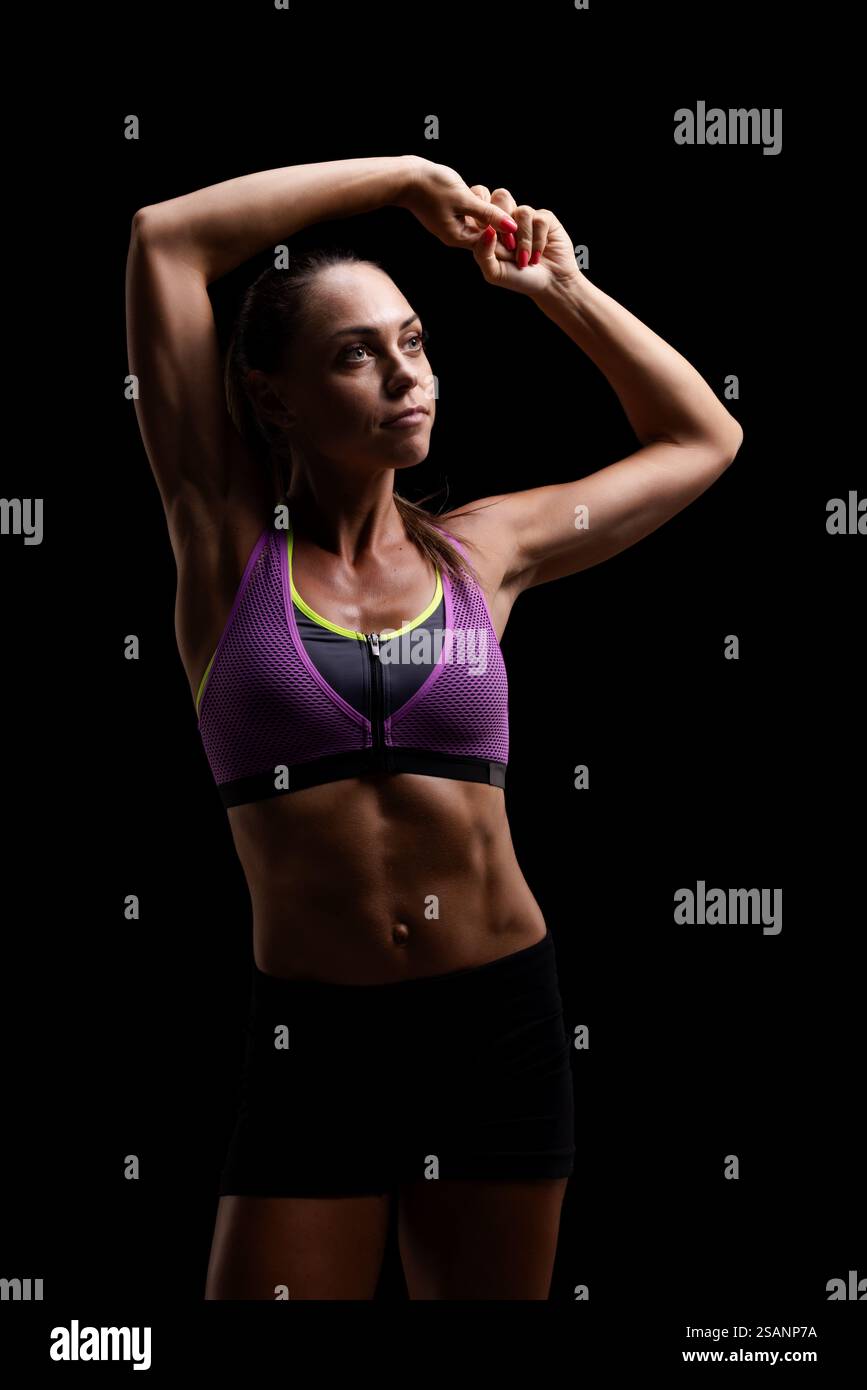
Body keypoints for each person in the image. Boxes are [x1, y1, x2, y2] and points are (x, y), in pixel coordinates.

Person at [125, 154, 743, 1300]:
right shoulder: (223, 547)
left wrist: (561, 290)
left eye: (413, 342)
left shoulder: (484, 549)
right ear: (272, 392)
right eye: (356, 354)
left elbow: (704, 437)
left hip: (497, 1018)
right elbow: (166, 235)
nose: (405, 376)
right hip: (314, 1042)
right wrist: (407, 178)